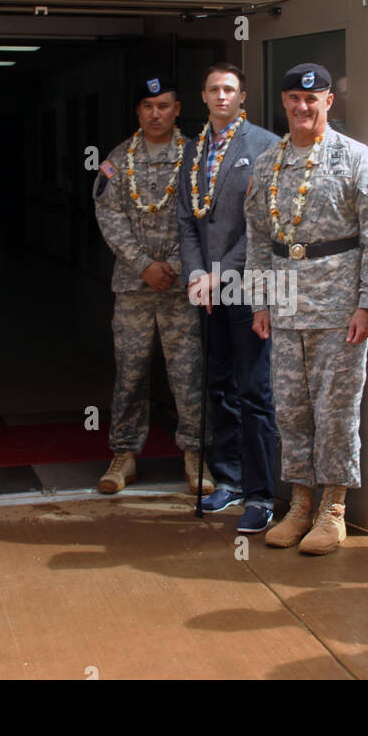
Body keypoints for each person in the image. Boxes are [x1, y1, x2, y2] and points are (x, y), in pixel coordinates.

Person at [245, 62, 368, 555]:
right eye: (294, 98)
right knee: (290, 410)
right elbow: (258, 238)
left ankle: (333, 509)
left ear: (329, 101)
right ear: (284, 102)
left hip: (339, 307)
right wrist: (261, 302)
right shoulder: (268, 163)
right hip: (286, 306)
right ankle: (300, 504)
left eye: (313, 99)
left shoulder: (356, 159)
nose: (303, 107)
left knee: (335, 411)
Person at [94, 74, 210, 495]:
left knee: (189, 373)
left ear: (178, 109)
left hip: (182, 288)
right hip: (133, 287)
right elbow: (109, 216)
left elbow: (207, 217)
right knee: (130, 372)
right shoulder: (117, 159)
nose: (156, 113)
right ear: (138, 111)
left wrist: (176, 266)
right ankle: (123, 455)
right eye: (148, 106)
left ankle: (195, 455)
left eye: (164, 105)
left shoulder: (197, 157)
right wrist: (144, 265)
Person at [178, 63, 281, 533]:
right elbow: (186, 219)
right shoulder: (195, 148)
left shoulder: (262, 145)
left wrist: (219, 275)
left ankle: (262, 495)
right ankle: (229, 478)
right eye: (214, 89)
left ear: (243, 97)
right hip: (208, 286)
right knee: (218, 385)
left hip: (250, 284)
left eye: (230, 90)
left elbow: (261, 224)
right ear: (204, 95)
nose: (222, 97)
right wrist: (197, 273)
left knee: (255, 390)